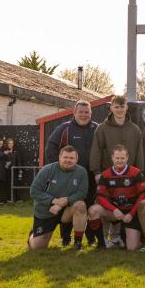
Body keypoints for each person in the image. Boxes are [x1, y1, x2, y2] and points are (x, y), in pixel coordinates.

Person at [89, 94, 144, 247]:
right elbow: (96, 150)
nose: (119, 110)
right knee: (106, 205)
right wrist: (96, 172)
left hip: (129, 178)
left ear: (127, 108)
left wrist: (139, 174)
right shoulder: (102, 128)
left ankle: (116, 237)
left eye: (122, 106)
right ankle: (103, 238)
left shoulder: (135, 129)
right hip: (108, 176)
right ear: (111, 108)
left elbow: (139, 153)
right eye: (116, 107)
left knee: (124, 204)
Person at [46, 99, 98, 245]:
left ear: (91, 113)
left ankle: (91, 238)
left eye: (86, 112)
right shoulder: (65, 128)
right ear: (74, 112)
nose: (83, 115)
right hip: (70, 176)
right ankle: (66, 238)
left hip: (92, 175)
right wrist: (57, 169)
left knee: (89, 206)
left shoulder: (97, 128)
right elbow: (51, 146)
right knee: (70, 206)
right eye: (80, 112)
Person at [28, 146, 88, 250]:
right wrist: (53, 201)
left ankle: (77, 243)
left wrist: (64, 202)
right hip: (46, 211)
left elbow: (82, 193)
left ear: (76, 159)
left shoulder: (81, 172)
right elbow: (34, 191)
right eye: (65, 157)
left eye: (71, 158)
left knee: (80, 205)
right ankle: (32, 235)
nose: (68, 160)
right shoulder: (47, 170)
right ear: (59, 157)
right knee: (37, 247)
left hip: (65, 211)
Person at [88, 145, 145, 250]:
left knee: (132, 248)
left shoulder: (136, 173)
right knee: (93, 210)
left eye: (122, 158)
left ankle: (138, 238)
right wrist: (114, 209)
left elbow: (143, 195)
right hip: (115, 212)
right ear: (112, 158)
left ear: (127, 158)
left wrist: (131, 213)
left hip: (131, 212)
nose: (120, 161)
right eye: (117, 158)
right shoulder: (105, 175)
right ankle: (102, 242)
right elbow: (100, 197)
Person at [3, 138, 23, 202]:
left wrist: (20, 170)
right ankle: (8, 199)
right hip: (7, 171)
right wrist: (6, 165)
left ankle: (17, 199)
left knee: (16, 184)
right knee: (8, 185)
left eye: (12, 143)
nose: (11, 145)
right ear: (7, 144)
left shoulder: (16, 152)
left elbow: (18, 162)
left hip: (15, 171)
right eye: (9, 143)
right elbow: (2, 162)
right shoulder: (4, 152)